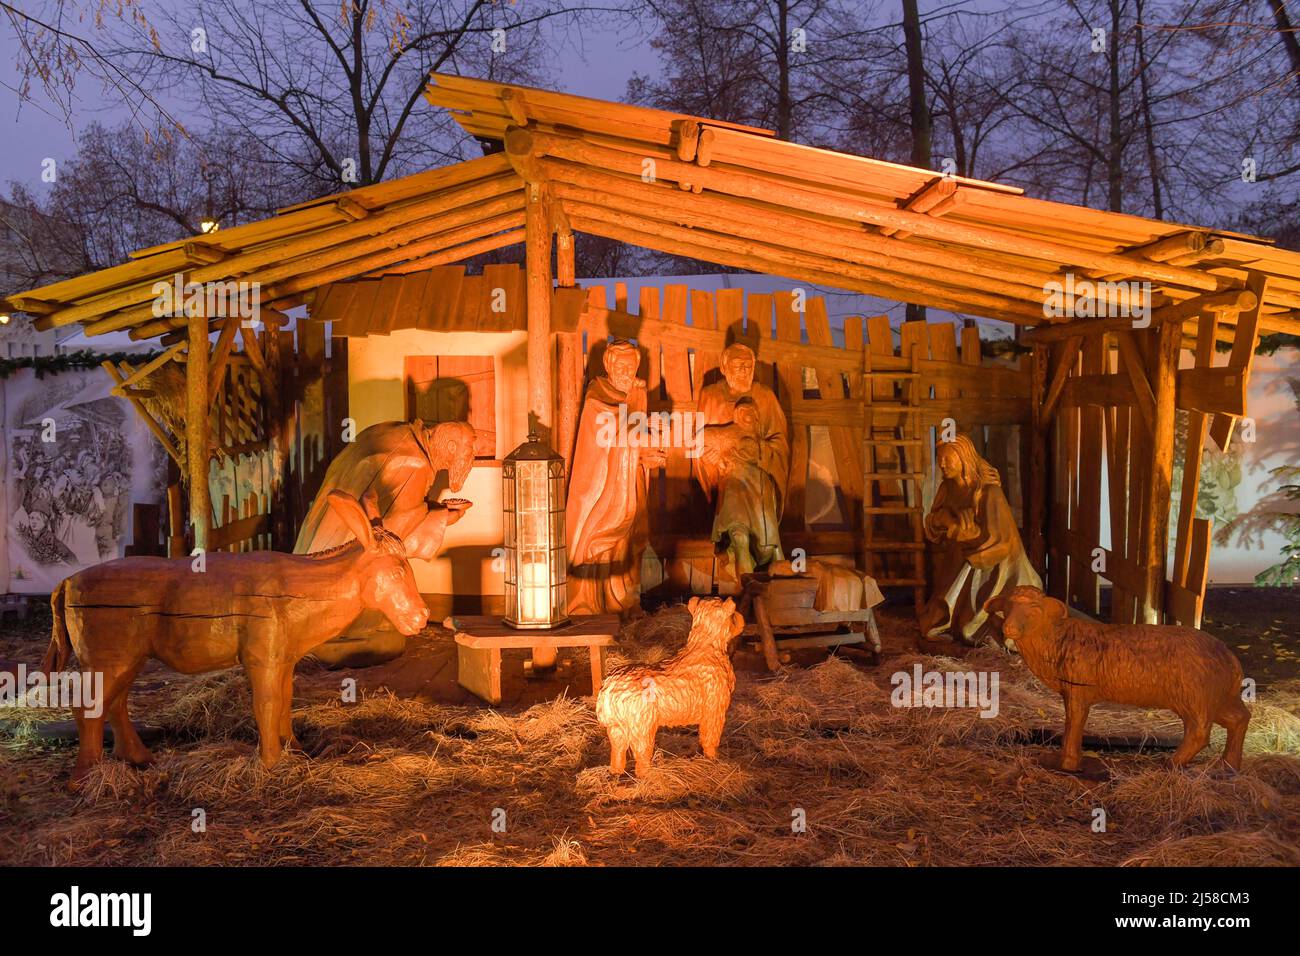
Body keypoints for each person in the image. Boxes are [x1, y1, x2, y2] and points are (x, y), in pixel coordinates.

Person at [565, 340, 665, 615]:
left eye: (631, 366)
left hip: (629, 480)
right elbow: (607, 434)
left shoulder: (635, 394)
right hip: (601, 488)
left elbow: (636, 432)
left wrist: (646, 456)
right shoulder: (597, 395)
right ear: (608, 366)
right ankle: (591, 605)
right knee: (598, 542)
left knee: (627, 542)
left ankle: (622, 601)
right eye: (620, 366)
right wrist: (639, 443)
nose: (626, 371)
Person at [920, 434, 1041, 644]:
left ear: (964, 457)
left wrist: (962, 531)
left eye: (948, 458)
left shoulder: (988, 492)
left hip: (995, 569)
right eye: (939, 458)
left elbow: (999, 541)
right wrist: (946, 520)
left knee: (974, 620)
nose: (942, 464)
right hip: (961, 559)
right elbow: (933, 525)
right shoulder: (947, 488)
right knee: (933, 619)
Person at [695, 342, 789, 579]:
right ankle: (742, 563)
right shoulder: (710, 396)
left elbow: (780, 445)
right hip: (727, 477)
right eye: (738, 366)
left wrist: (756, 450)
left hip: (759, 477)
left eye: (748, 366)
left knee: (762, 516)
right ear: (724, 367)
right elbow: (699, 442)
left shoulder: (765, 397)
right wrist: (710, 459)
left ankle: (769, 560)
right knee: (734, 506)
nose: (744, 371)